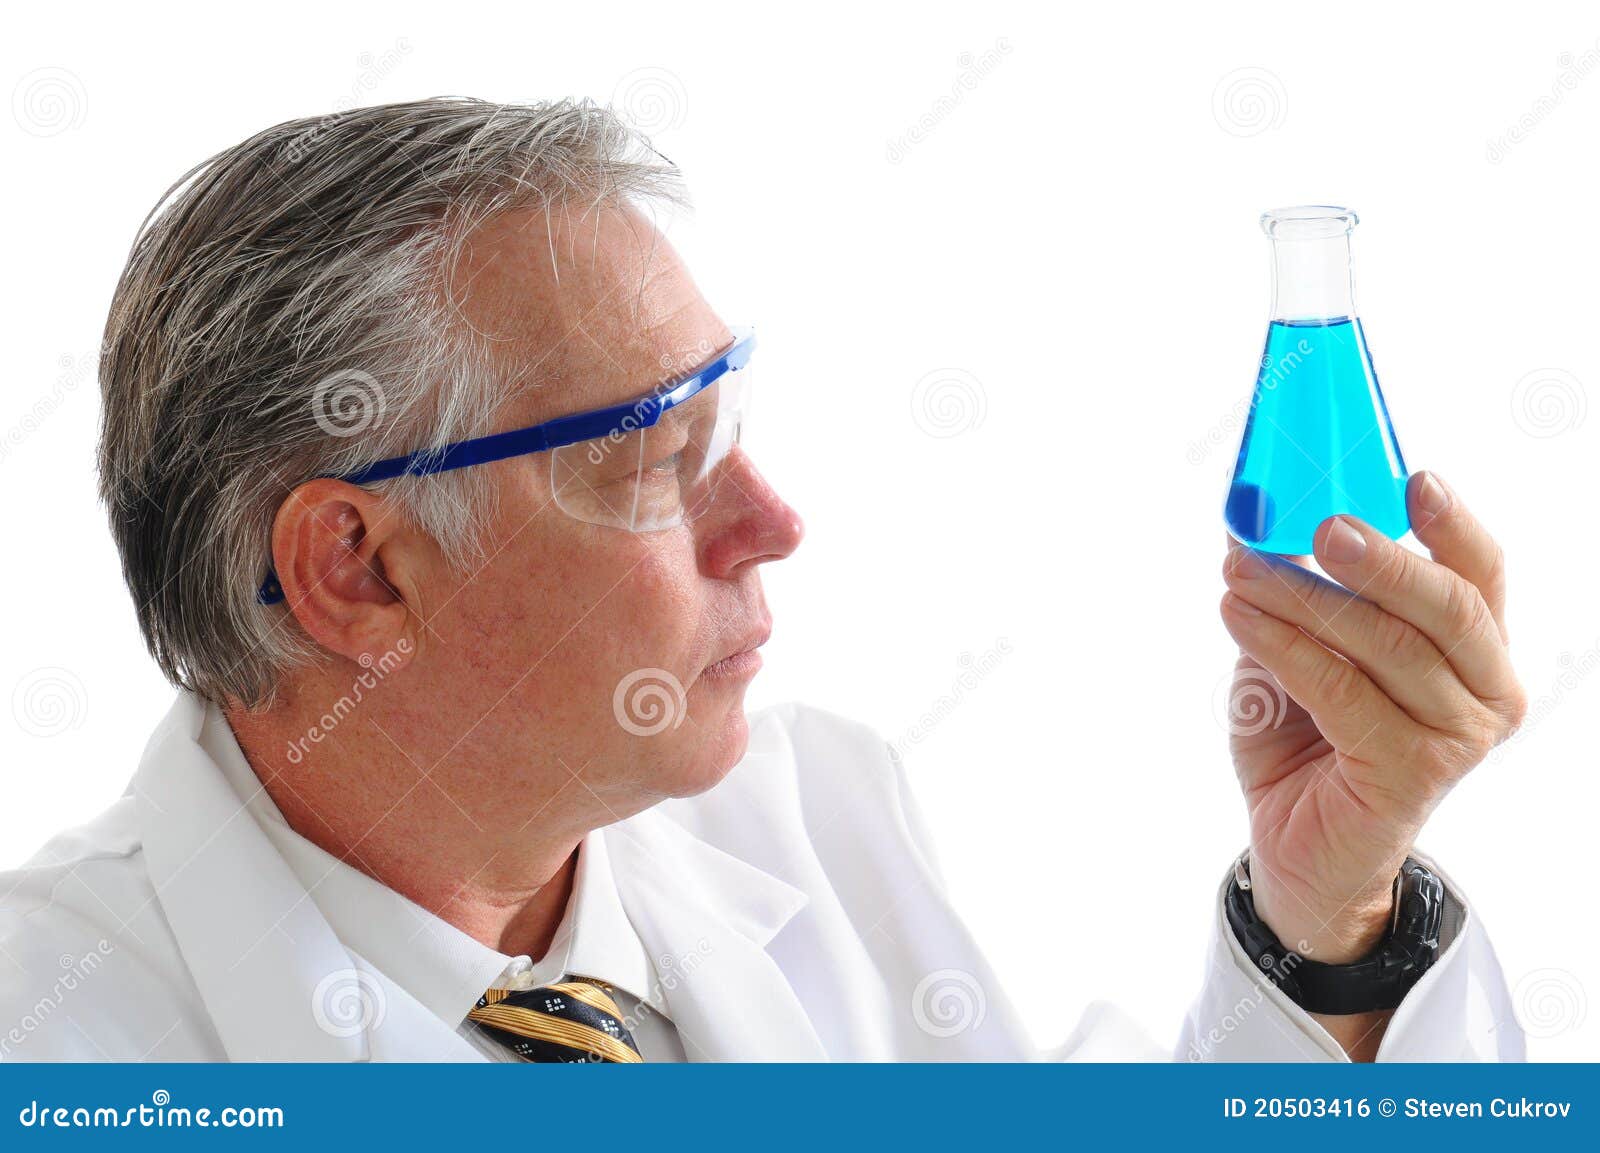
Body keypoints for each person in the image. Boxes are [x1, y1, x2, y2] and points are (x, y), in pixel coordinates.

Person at [0, 99, 1527, 1063]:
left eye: (728, 418)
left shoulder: (820, 822)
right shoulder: (60, 1043)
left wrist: (1331, 916)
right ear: (358, 571)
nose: (772, 518)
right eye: (656, 450)